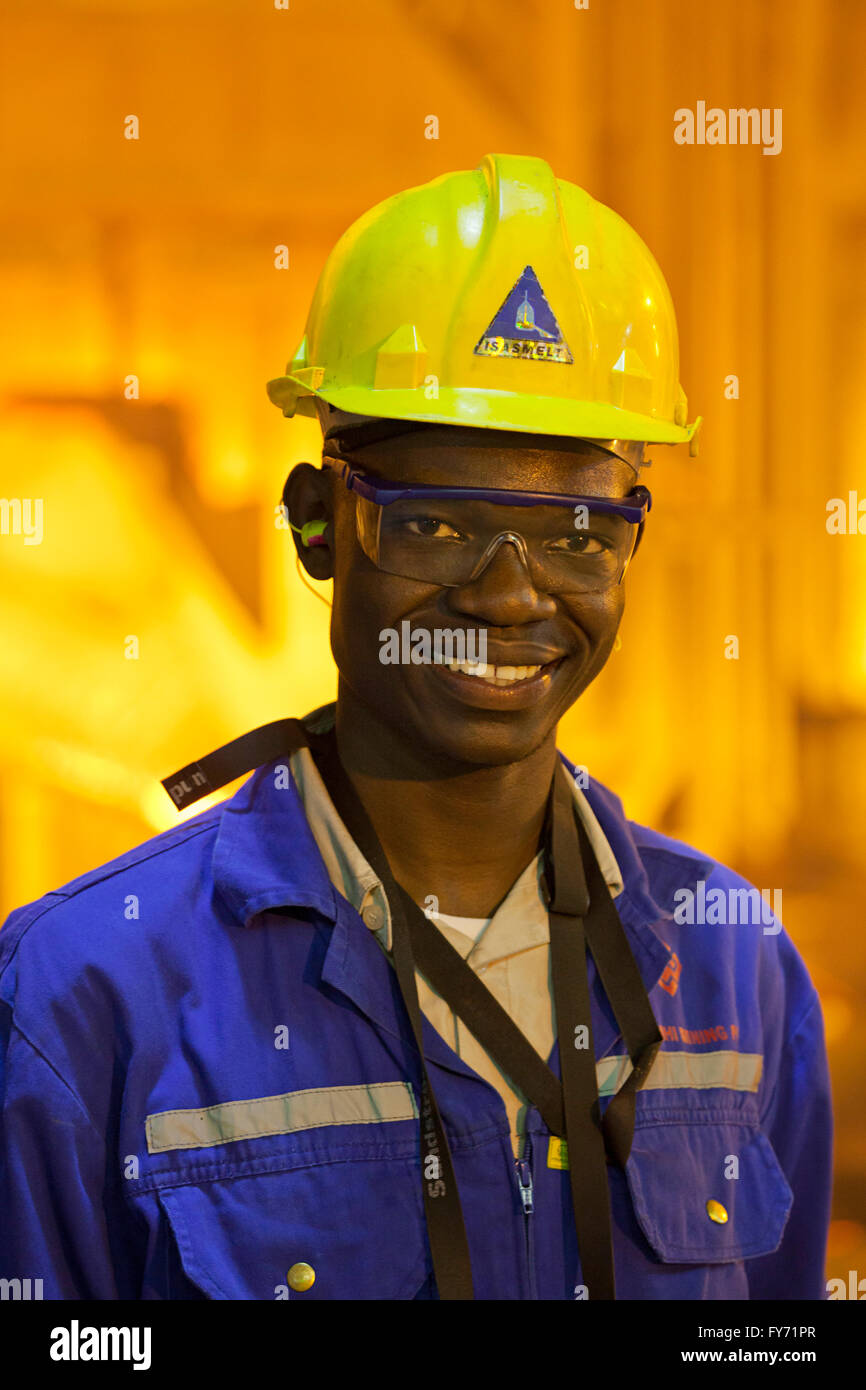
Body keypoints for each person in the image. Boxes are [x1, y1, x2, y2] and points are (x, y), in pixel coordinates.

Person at [0, 154, 832, 1300]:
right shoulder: (87, 993)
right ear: (316, 527)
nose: (510, 594)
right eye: (437, 523)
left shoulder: (735, 967)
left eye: (576, 531)